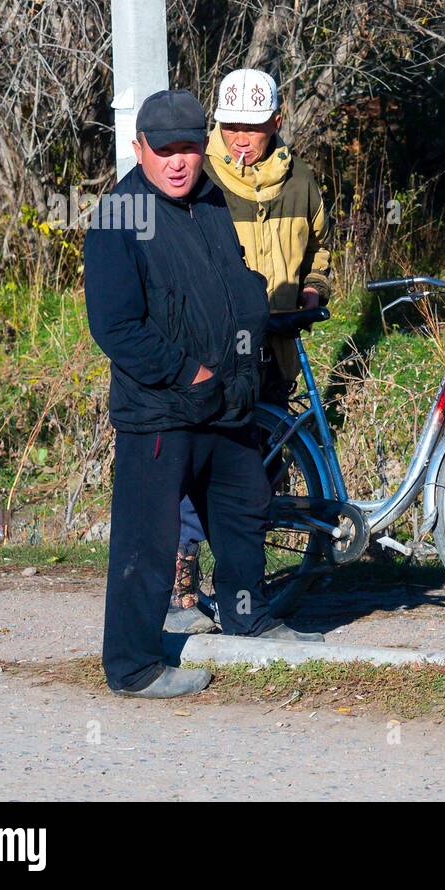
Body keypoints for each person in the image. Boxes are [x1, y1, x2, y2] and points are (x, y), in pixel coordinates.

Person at [85, 88, 323, 699]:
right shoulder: (119, 216)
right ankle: (134, 667)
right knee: (148, 541)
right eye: (164, 150)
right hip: (161, 412)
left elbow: (232, 282)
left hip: (228, 400)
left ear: (203, 146)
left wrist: (247, 346)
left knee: (244, 513)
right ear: (139, 147)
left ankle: (248, 617)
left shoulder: (211, 198)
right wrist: (186, 372)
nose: (177, 162)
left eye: (189, 148)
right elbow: (115, 326)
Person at [165, 68, 333, 634]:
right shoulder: (199, 178)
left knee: (261, 472)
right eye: (231, 126)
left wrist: (313, 290)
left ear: (276, 124)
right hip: (214, 353)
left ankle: (245, 593)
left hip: (275, 348)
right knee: (200, 466)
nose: (241, 138)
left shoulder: (300, 180)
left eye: (254, 128)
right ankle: (182, 591)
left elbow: (321, 250)